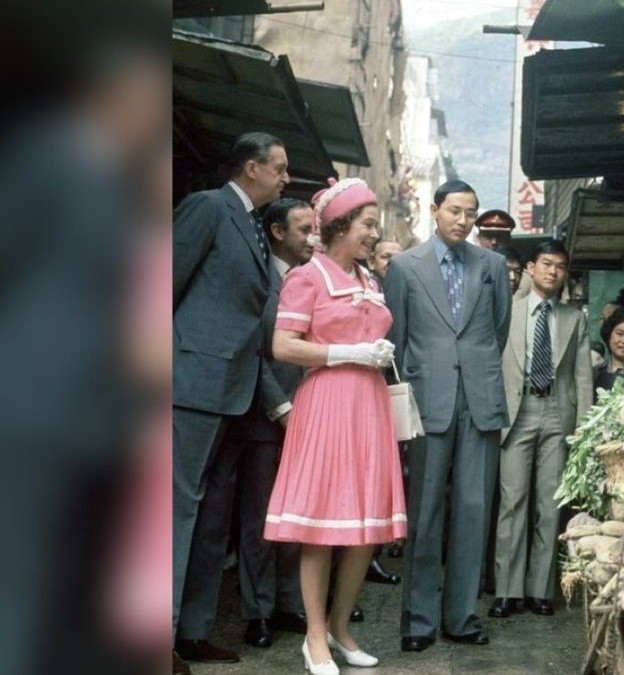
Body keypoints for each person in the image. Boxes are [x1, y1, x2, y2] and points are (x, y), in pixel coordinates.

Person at [264, 177, 407, 674]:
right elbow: (283, 345)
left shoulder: (370, 280)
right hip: (326, 404)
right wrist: (346, 351)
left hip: (368, 405)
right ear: (342, 225)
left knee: (363, 528)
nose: (373, 233)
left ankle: (342, 628)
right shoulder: (309, 276)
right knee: (322, 528)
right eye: (368, 224)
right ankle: (315, 636)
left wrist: (377, 353)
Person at [173, 132, 290, 666]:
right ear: (250, 167)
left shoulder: (250, 224)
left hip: (235, 393)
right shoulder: (208, 206)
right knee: (176, 513)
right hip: (193, 384)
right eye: (280, 168)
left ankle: (191, 631)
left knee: (211, 519)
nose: (287, 178)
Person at [381, 180, 511, 652]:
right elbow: (396, 340)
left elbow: (497, 331)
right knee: (425, 512)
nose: (463, 220)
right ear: (435, 211)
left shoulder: (493, 266)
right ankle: (417, 620)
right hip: (427, 401)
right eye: (455, 210)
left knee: (474, 510)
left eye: (470, 213)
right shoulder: (404, 266)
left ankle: (461, 615)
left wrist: (473, 371)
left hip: (479, 400)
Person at [489, 241, 593, 620]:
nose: (553, 272)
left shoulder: (574, 318)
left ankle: (539, 590)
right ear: (531, 267)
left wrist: (582, 429)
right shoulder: (507, 311)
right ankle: (506, 591)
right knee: (512, 501)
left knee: (550, 505)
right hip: (516, 413)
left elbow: (583, 378)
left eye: (561, 266)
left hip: (557, 413)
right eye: (547, 264)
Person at [237, 197, 314, 649]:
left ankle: (290, 604)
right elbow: (254, 351)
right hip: (268, 418)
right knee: (260, 520)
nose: (312, 238)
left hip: (311, 415)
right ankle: (257, 612)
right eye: (303, 230)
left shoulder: (313, 278)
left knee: (298, 516)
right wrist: (281, 408)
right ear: (277, 232)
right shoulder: (261, 279)